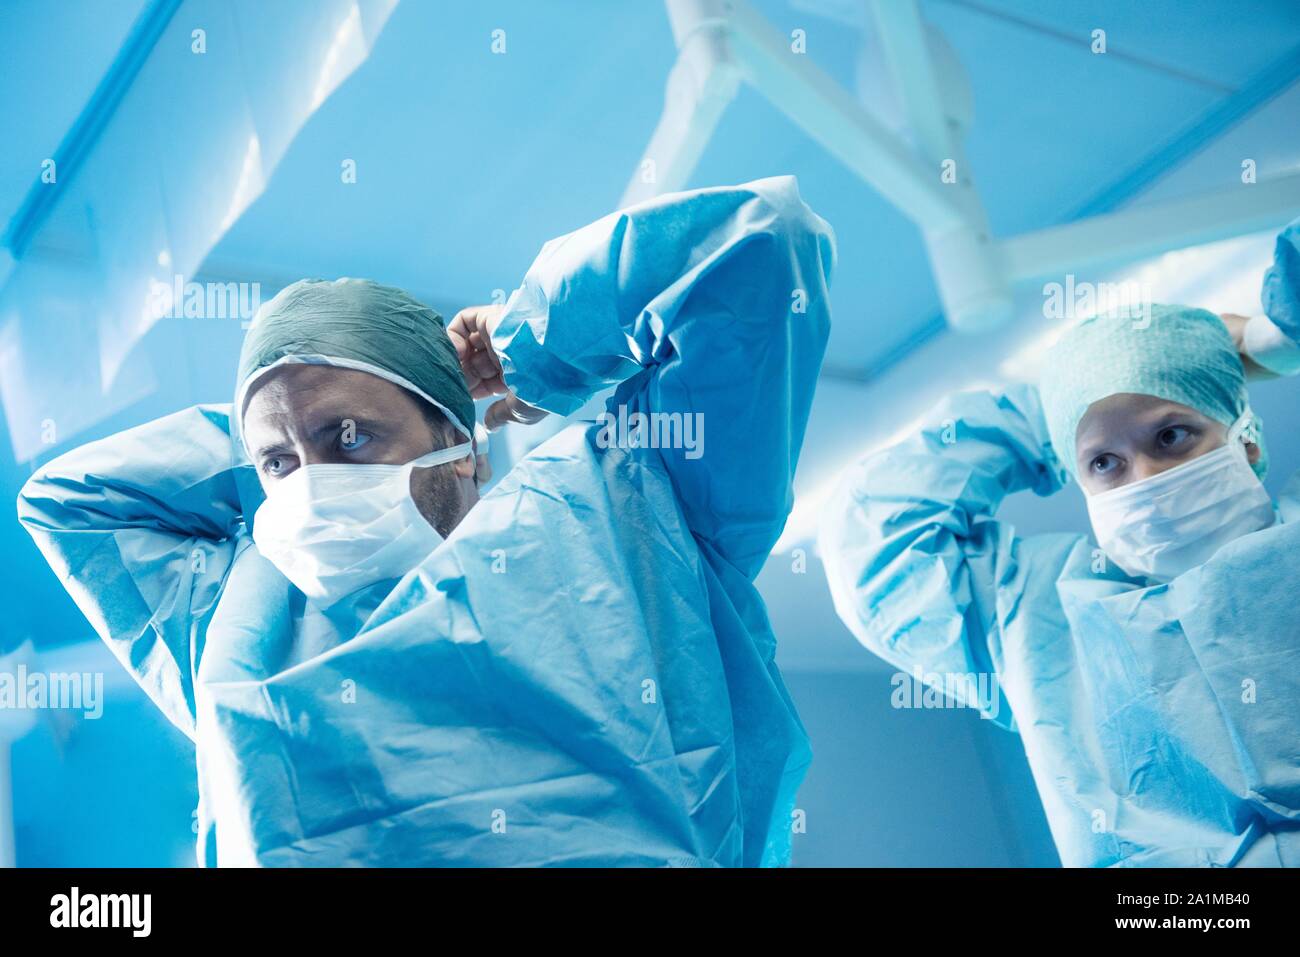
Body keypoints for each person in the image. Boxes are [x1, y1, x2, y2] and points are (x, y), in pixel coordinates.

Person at [18, 176, 836, 867]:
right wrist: (281, 421)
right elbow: (68, 503)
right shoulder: (240, 619)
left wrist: (527, 349)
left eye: (351, 437)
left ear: (462, 444)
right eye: (279, 464)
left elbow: (762, 245)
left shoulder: (623, 508)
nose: (313, 487)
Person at [819, 222, 1300, 867]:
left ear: (1248, 441)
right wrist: (1061, 405)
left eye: (1171, 437)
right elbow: (880, 522)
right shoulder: (1042, 621)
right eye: (1104, 462)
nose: (1145, 480)